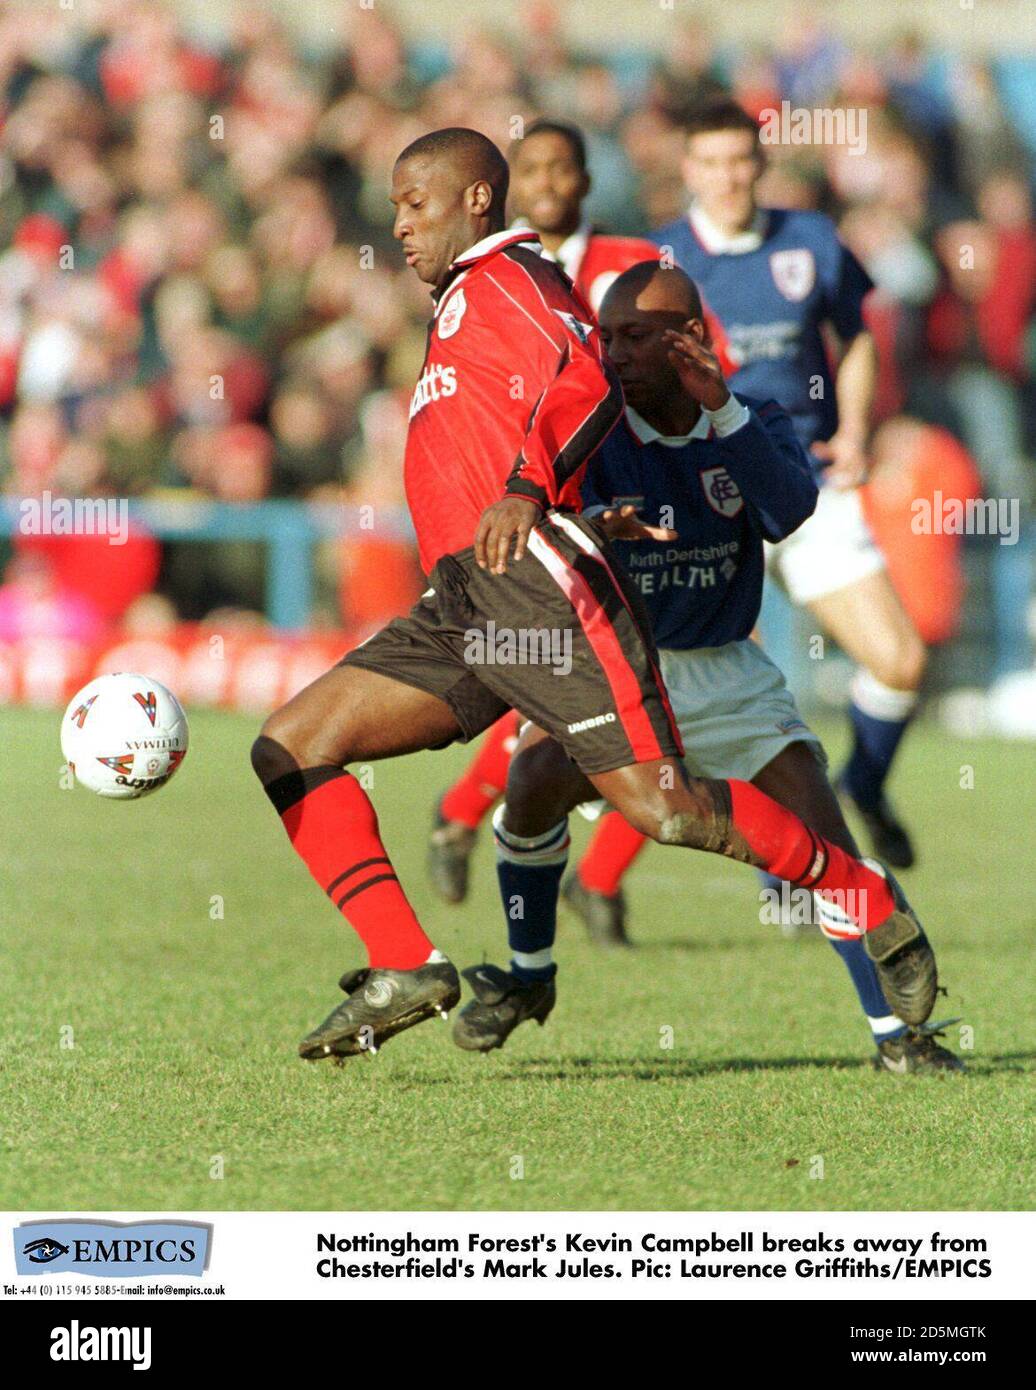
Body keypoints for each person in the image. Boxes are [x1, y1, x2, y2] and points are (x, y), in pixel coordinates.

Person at [250, 126, 937, 1063]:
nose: (398, 225)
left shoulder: (511, 283)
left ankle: (861, 902)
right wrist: (583, 509)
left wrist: (533, 492)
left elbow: (581, 375)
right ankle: (408, 962)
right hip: (468, 600)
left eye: (416, 204)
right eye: (397, 205)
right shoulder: (463, 301)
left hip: (565, 605)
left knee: (668, 810)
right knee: (293, 747)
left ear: (477, 202)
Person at [451, 263, 958, 1074]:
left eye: (637, 336)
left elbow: (789, 510)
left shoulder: (751, 416)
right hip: (619, 672)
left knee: (828, 844)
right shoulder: (593, 426)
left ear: (691, 337)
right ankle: (528, 977)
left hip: (727, 674)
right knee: (530, 788)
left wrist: (721, 409)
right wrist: (588, 527)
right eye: (607, 334)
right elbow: (531, 519)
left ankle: (900, 1038)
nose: (613, 352)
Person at [427, 118, 733, 908]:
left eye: (562, 168)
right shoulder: (489, 276)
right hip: (546, 510)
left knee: (624, 685)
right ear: (503, 190)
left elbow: (702, 356)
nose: (548, 183)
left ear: (586, 180)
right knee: (558, 680)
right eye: (532, 169)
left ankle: (573, 870)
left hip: (628, 486)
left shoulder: (631, 265)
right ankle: (478, 823)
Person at [649, 99, 927, 876]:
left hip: (802, 481)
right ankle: (599, 880)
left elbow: (860, 333)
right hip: (703, 496)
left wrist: (858, 430)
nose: (728, 176)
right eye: (711, 162)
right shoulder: (656, 257)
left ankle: (863, 787)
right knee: (696, 706)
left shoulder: (810, 240)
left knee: (899, 661)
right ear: (687, 170)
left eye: (741, 159)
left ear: (760, 163)